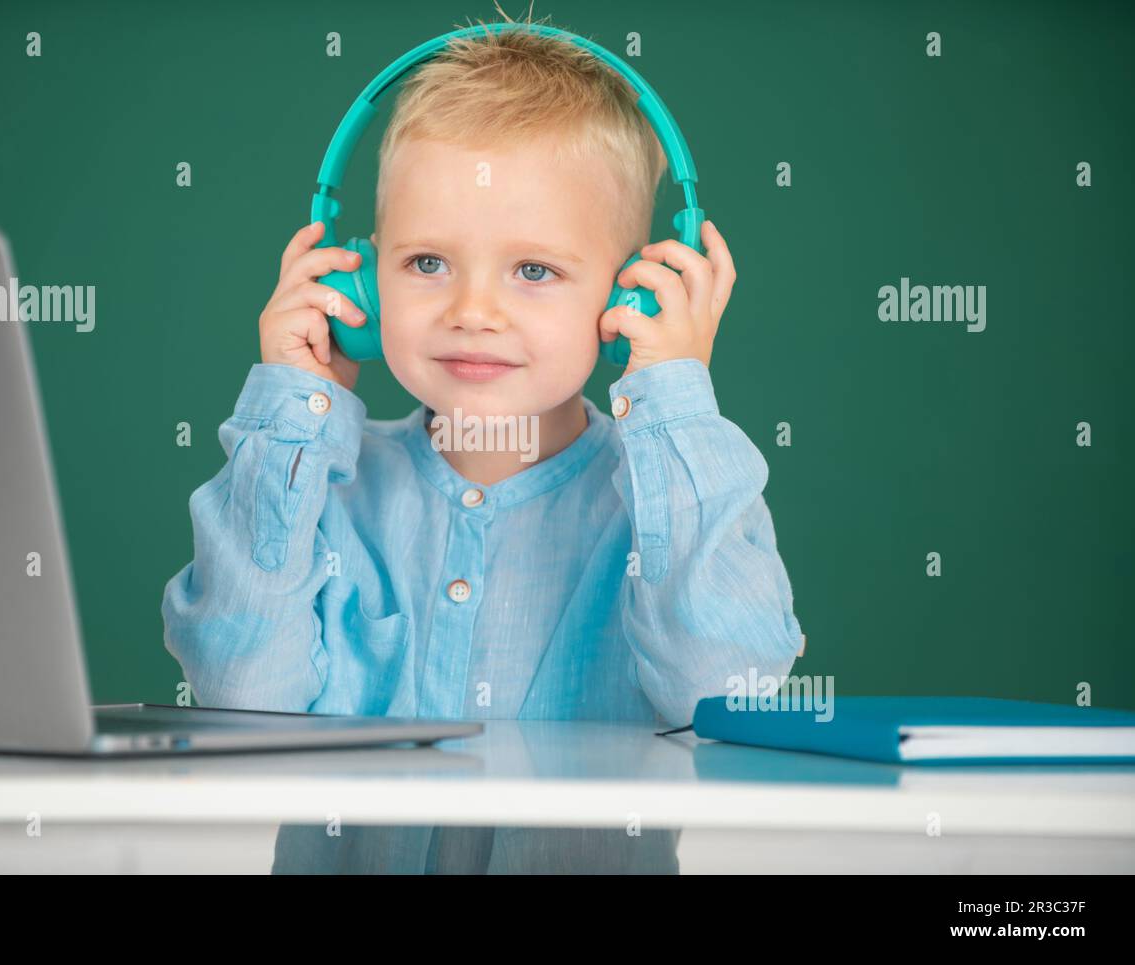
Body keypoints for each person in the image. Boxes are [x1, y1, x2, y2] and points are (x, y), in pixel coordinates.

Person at [161, 15, 804, 873]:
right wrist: (294, 408)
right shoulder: (321, 489)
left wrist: (675, 401)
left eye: (534, 270)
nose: (473, 310)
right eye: (427, 263)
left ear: (631, 297)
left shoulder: (660, 505)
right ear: (363, 280)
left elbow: (732, 697)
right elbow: (242, 699)